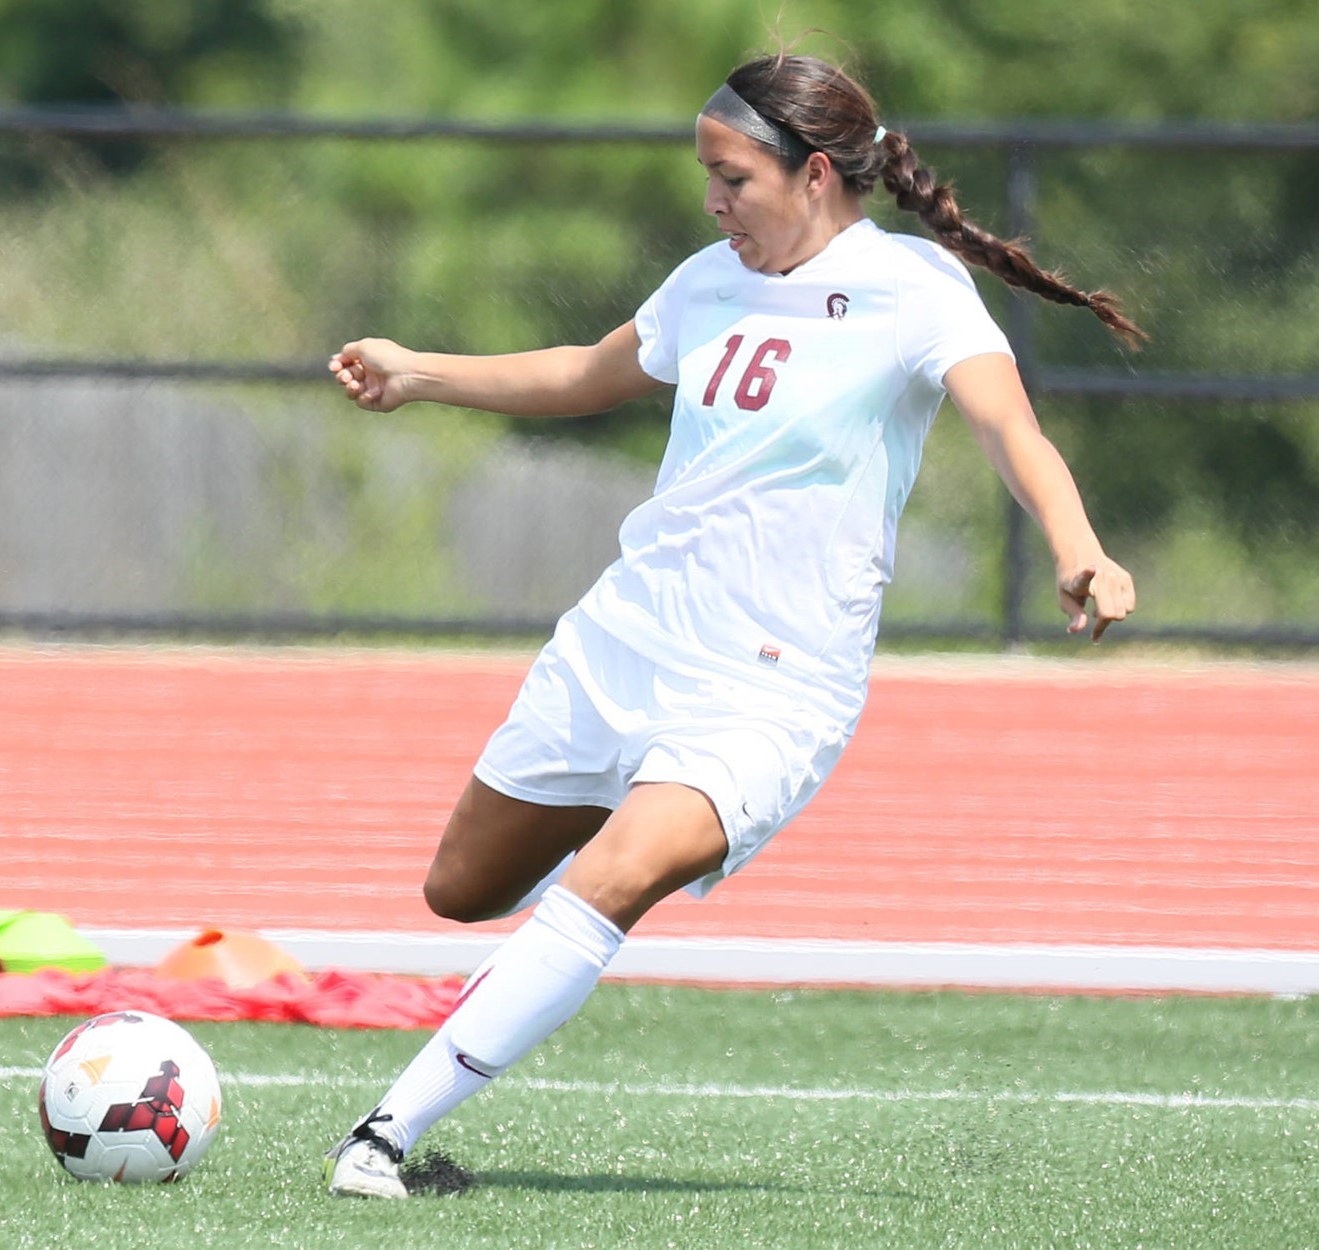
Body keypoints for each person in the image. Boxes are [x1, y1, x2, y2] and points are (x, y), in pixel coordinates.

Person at [319, 52, 1140, 1199]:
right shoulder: (710, 277)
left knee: (607, 879)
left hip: (768, 688)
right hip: (622, 640)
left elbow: (1011, 431)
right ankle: (630, 801)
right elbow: (584, 373)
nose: (712, 201)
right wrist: (417, 373)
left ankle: (381, 1135)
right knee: (458, 890)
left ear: (811, 173)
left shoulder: (912, 287)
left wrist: (1076, 543)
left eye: (730, 177)